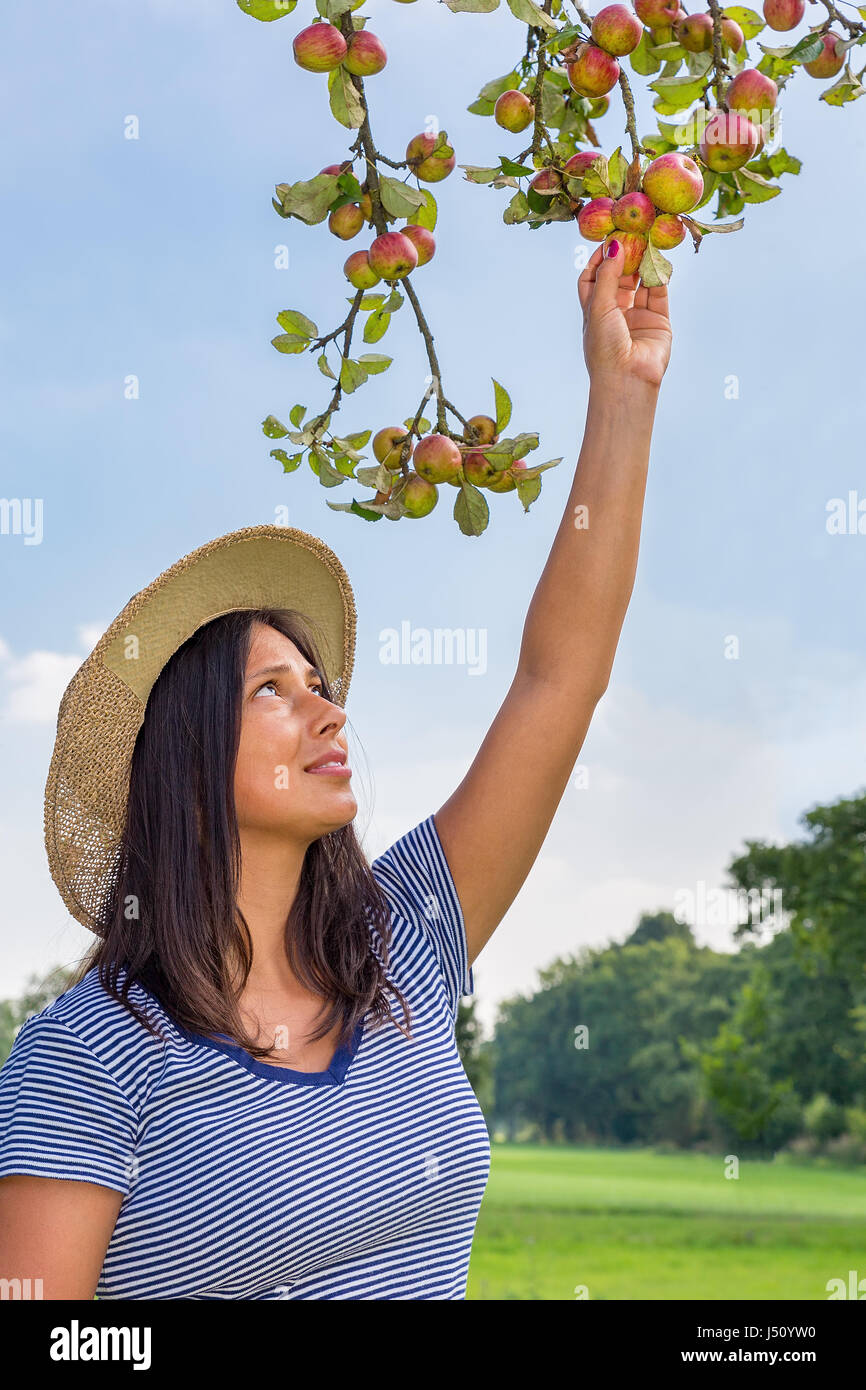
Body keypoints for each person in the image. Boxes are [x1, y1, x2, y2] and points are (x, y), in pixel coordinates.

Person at [0, 241, 671, 1299]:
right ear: (181, 755)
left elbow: (557, 682)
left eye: (319, 680)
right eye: (273, 689)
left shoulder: (402, 942)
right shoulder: (82, 1060)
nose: (328, 708)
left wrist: (621, 395)